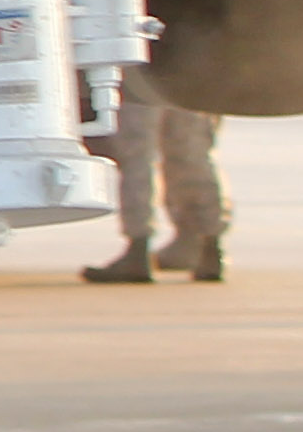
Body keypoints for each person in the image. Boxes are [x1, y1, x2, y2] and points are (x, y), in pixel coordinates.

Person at [85, 74, 225, 283]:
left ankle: (139, 247)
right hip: (190, 66)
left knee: (138, 156)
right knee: (191, 153)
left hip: (141, 68)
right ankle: (208, 246)